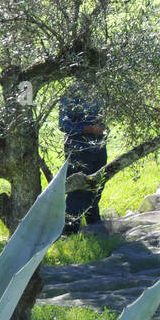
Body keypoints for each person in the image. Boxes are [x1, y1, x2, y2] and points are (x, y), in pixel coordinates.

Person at [59, 81, 107, 235]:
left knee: (96, 186)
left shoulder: (100, 89)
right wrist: (90, 129)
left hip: (98, 147)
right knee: (78, 190)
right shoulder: (71, 93)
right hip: (79, 148)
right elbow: (63, 124)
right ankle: (69, 232)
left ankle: (94, 226)